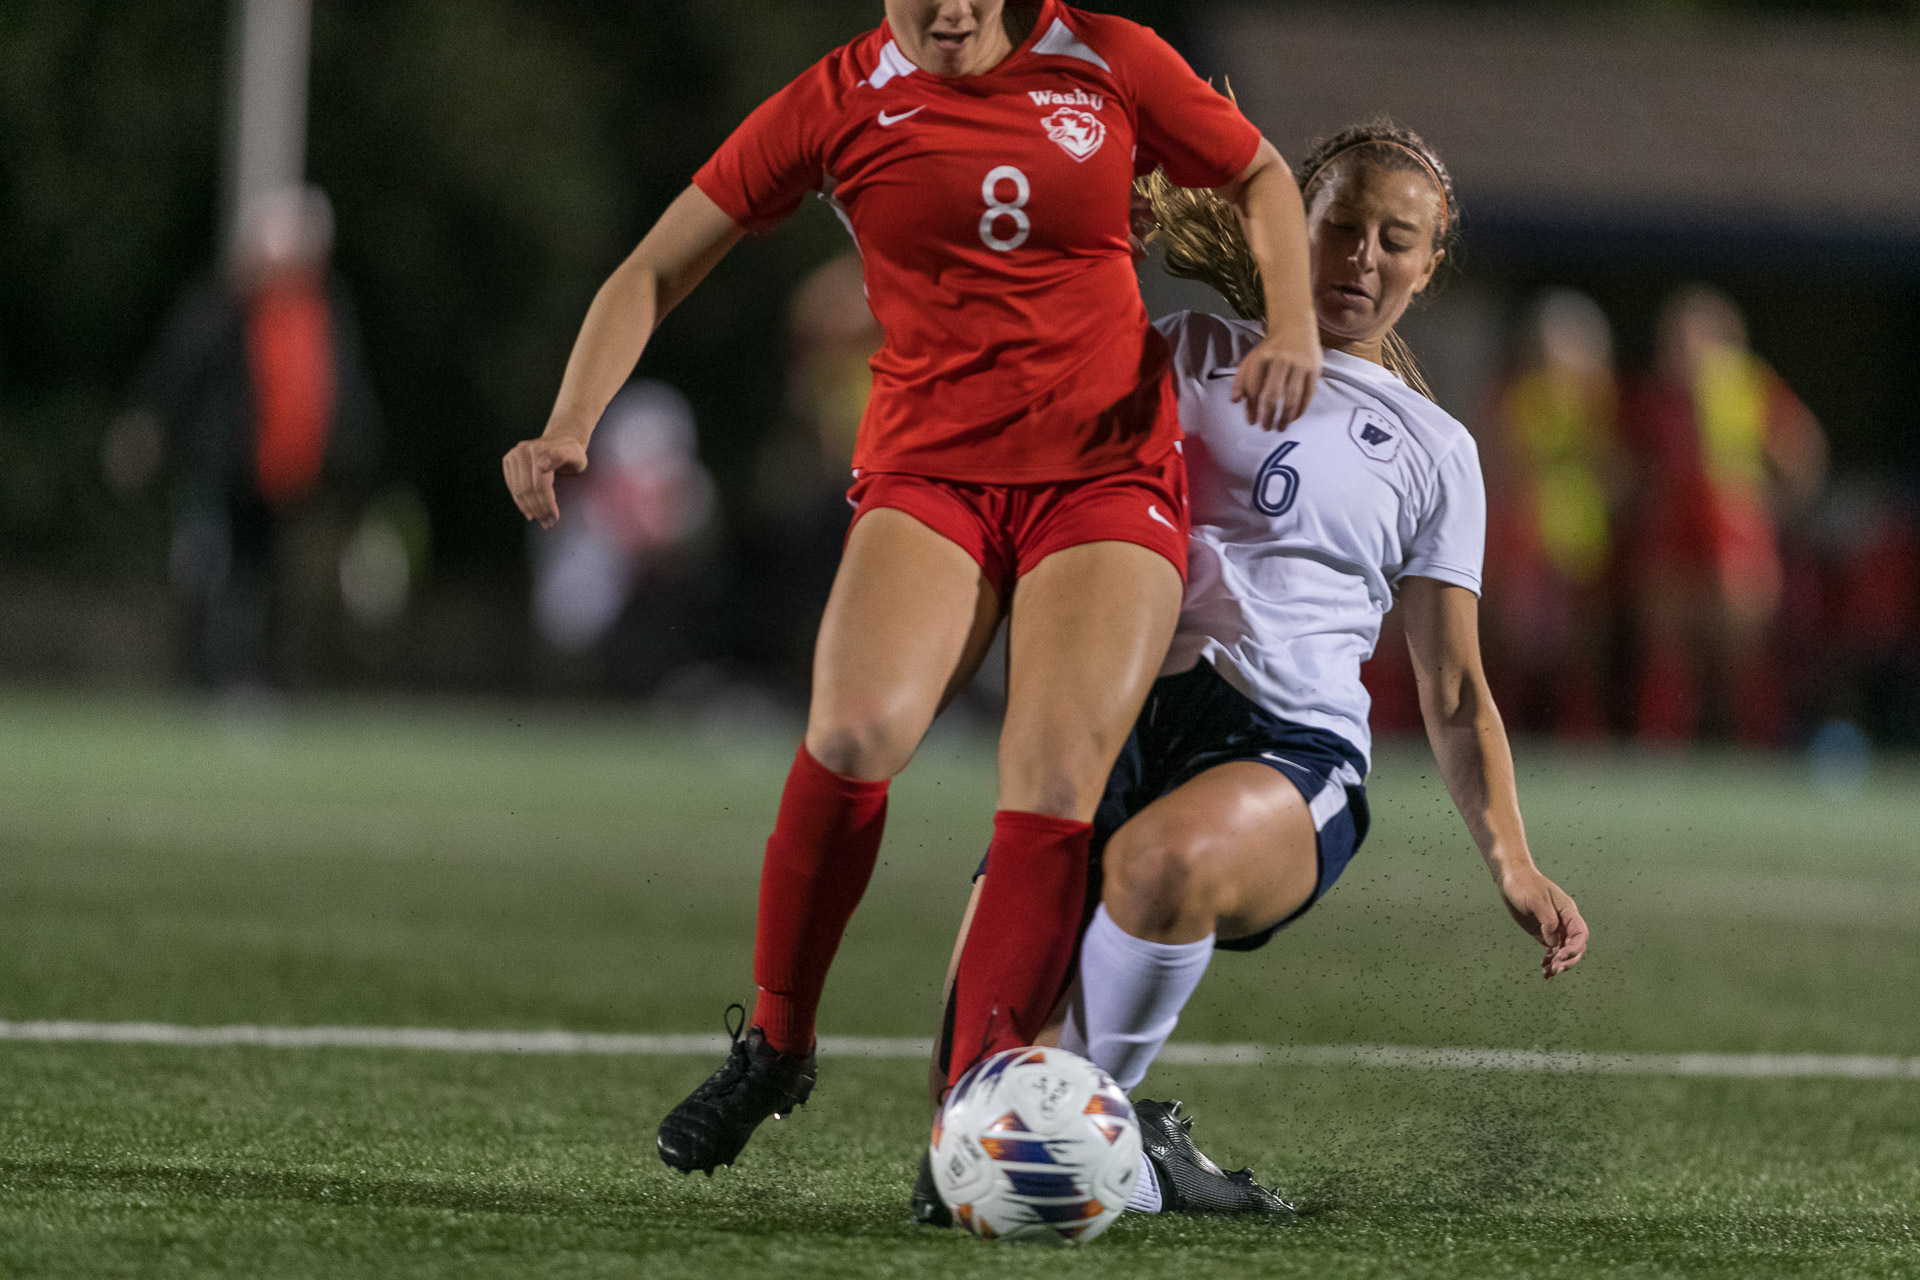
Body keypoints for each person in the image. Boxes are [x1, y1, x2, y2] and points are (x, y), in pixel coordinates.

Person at [499, 0, 1322, 1176]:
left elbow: (1263, 176)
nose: (949, 9)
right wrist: (570, 423)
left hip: (1105, 478)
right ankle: (778, 1042)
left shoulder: (1110, 58)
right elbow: (656, 266)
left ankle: (972, 1112)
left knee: (1047, 782)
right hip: (932, 472)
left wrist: (1288, 324)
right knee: (852, 731)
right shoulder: (837, 98)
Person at [917, 120, 1590, 1223]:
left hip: (1287, 747)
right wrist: (1084, 237)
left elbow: (1456, 689)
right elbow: (1018, 342)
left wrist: (1512, 860)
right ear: (1287, 226)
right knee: (962, 1121)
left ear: (1429, 262)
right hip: (1110, 719)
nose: (1362, 258)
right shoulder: (1178, 351)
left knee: (1160, 870)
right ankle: (1135, 1157)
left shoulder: (1435, 448)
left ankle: (1106, 1125)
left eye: (1395, 239)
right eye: (1338, 227)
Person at [105, 185, 382, 689]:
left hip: (290, 478)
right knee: (207, 571)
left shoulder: (324, 312)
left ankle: (263, 681)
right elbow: (178, 371)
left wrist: (350, 451)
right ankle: (197, 680)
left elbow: (342, 389)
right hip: (221, 470)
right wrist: (146, 426)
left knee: (276, 582)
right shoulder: (224, 308)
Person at [1618, 284, 1826, 745]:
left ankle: (1757, 744)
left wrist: (1774, 508)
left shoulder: (1749, 386)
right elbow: (1629, 468)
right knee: (1668, 644)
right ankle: (1663, 744)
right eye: (1674, 339)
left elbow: (1804, 454)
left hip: (1734, 533)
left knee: (1742, 648)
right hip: (1673, 531)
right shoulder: (1655, 398)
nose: (1682, 350)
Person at [1480, 289, 1621, 737]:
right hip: (1528, 531)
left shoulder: (1600, 399)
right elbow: (1499, 464)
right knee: (1520, 642)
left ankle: (1580, 730)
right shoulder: (1518, 397)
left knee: (1581, 645)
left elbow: (1614, 465)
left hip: (1582, 532)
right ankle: (1507, 730)